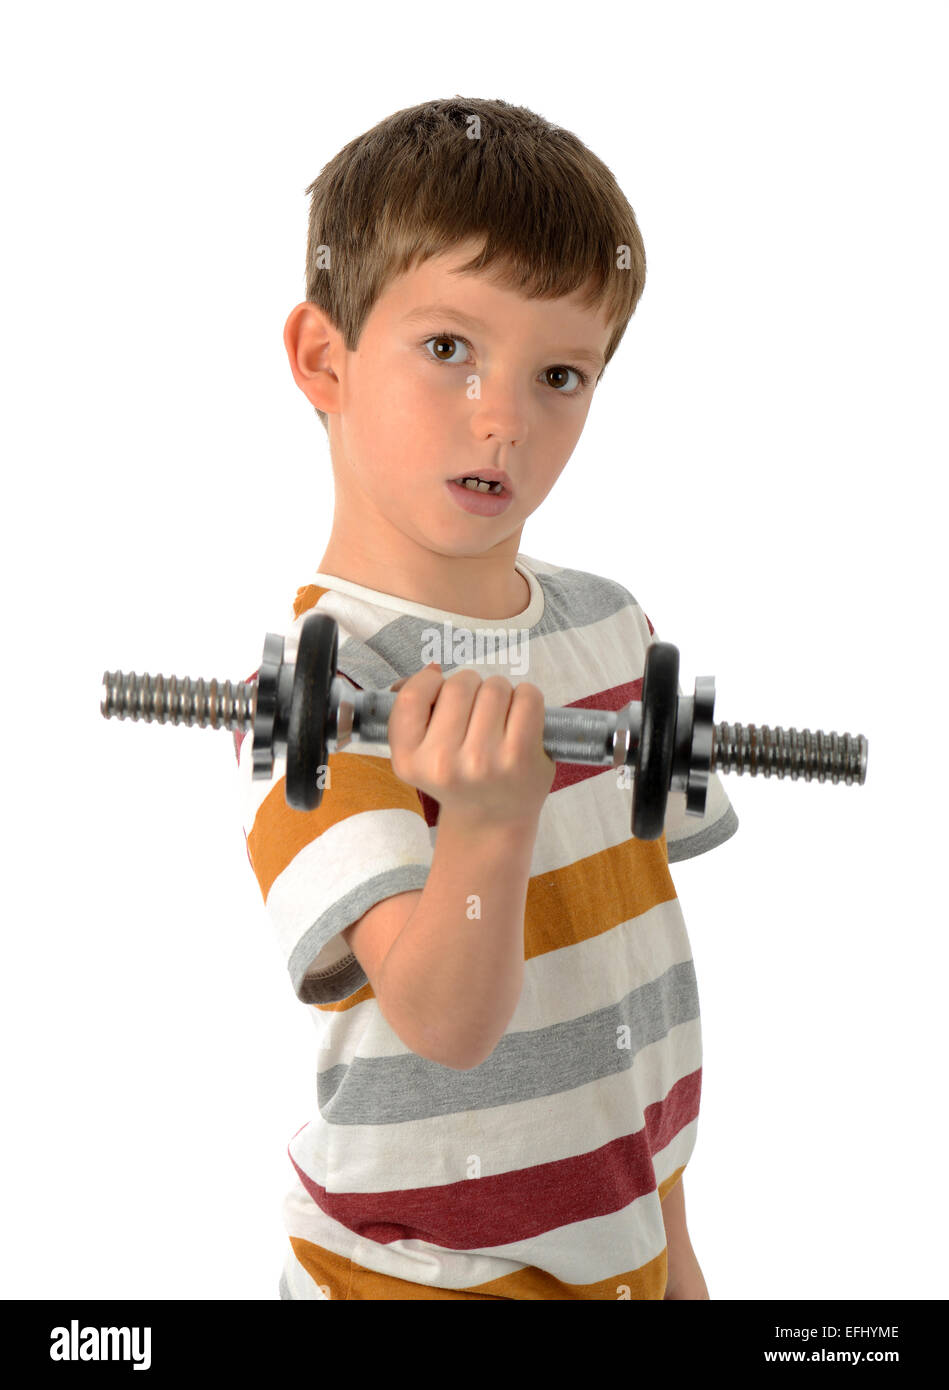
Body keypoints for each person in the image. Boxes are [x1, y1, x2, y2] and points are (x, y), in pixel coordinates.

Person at [234, 95, 738, 1300]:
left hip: (621, 1221)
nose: (503, 417)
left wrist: (669, 1246)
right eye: (449, 348)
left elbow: (623, 972)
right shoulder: (323, 686)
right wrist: (490, 822)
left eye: (558, 371)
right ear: (324, 358)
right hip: (423, 1270)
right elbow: (442, 1024)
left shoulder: (612, 626)